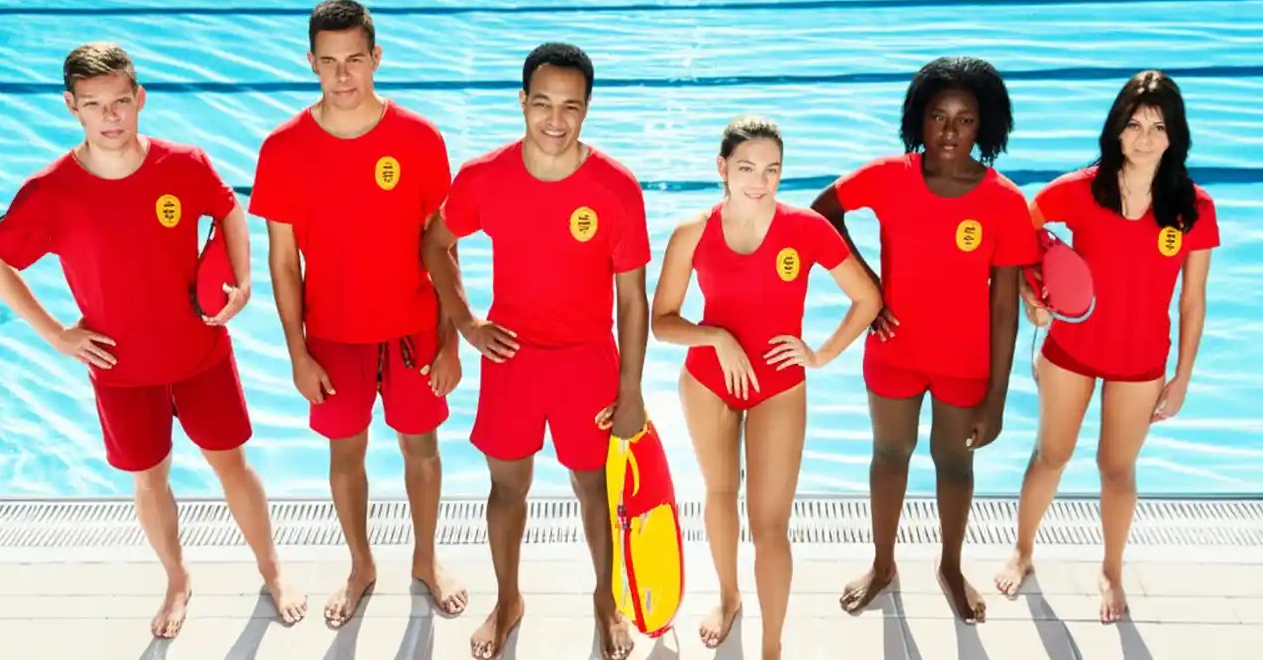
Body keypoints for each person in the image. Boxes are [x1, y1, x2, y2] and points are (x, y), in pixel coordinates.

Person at [0, 42, 306, 638]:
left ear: (140, 100)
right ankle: (177, 578)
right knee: (150, 478)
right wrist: (56, 334)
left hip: (201, 354)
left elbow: (228, 208)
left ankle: (273, 569)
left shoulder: (183, 165)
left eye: (121, 103)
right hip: (120, 368)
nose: (110, 117)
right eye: (94, 105)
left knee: (232, 467)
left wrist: (243, 281)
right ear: (71, 108)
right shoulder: (51, 192)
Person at [422, 42, 649, 660]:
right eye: (542, 103)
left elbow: (633, 301)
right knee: (506, 490)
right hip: (512, 360)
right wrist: (467, 322)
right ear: (522, 102)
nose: (555, 119)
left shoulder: (616, 188)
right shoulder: (483, 177)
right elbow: (432, 244)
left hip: (586, 361)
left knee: (594, 489)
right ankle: (509, 598)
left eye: (570, 106)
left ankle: (606, 601)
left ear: (587, 110)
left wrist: (631, 391)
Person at [248, 0, 466, 627]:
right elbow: (283, 262)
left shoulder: (420, 140)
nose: (343, 76)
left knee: (420, 450)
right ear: (310, 63)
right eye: (329, 62)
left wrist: (451, 343)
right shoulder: (283, 148)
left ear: (377, 58)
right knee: (346, 455)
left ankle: (425, 559)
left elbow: (443, 247)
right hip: (334, 338)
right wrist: (296, 351)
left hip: (414, 330)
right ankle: (361, 564)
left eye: (354, 61)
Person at [810, 56, 1038, 622]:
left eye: (964, 120)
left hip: (965, 362)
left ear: (984, 125)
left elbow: (1005, 306)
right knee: (890, 454)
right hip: (896, 351)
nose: (950, 132)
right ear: (920, 119)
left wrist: (998, 397)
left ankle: (950, 566)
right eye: (938, 117)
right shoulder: (889, 176)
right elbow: (822, 214)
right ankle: (883, 564)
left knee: (954, 466)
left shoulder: (1004, 201)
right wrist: (868, 288)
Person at [650, 116, 881, 658]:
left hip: (778, 384)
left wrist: (820, 354)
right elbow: (663, 320)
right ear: (722, 168)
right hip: (710, 381)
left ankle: (772, 646)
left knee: (772, 526)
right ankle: (729, 598)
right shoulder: (692, 233)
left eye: (772, 170)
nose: (760, 181)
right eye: (748, 168)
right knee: (720, 493)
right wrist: (715, 338)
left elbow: (867, 298)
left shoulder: (805, 229)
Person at [994, 71, 1219, 622]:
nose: (1145, 138)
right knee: (1052, 456)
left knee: (1117, 470)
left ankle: (1111, 570)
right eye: (1134, 124)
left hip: (1142, 363)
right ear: (1116, 131)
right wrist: (1032, 291)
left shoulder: (1193, 207)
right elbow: (1016, 230)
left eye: (1159, 127)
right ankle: (1023, 551)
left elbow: (1193, 302)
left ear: (1175, 136)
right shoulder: (1080, 189)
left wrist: (1182, 376)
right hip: (1070, 352)